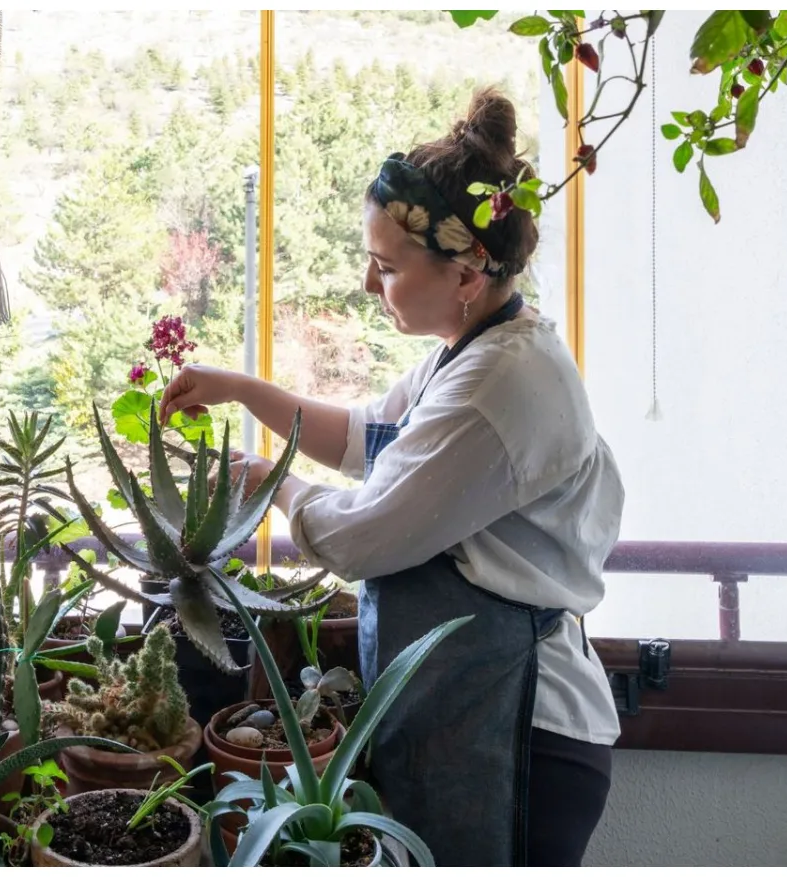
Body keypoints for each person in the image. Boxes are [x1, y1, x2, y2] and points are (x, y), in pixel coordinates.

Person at [159, 88, 623, 867]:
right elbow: (369, 437)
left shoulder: (497, 384)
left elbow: (363, 537)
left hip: (521, 739)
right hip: (468, 718)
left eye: (386, 266)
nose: (370, 286)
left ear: (468, 269)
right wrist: (240, 388)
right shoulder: (477, 345)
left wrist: (263, 485)